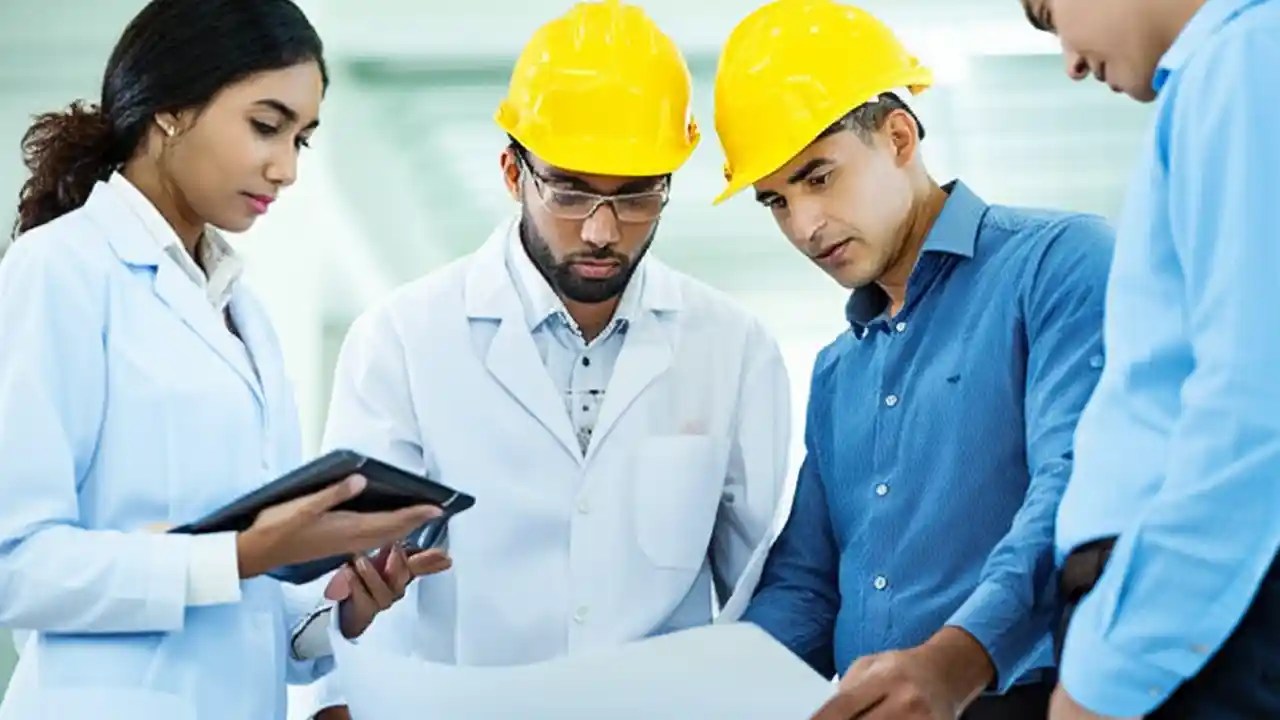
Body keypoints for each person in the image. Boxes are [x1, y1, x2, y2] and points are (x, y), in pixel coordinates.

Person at [295, 1, 793, 717]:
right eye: (570, 191)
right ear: (511, 171)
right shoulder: (402, 339)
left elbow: (756, 590)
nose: (601, 230)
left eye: (637, 196)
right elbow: (352, 576)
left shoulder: (734, 348)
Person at [0, 1, 447, 718]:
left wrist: (342, 609)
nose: (287, 167)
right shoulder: (61, 269)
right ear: (172, 109)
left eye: (302, 139)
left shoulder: (243, 313)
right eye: (266, 126)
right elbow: (15, 565)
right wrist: (239, 555)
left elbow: (250, 612)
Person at [709, 2, 1116, 719]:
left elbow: (1076, 488)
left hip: (1024, 700)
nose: (803, 227)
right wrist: (711, 691)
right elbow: (807, 581)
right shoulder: (840, 368)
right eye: (775, 201)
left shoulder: (1056, 264)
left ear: (898, 136)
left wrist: (955, 659)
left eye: (819, 177)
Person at [1018, 0, 1280, 718]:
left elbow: (1253, 408)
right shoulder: (1226, 74)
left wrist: (1111, 675)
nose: (1070, 60)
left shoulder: (1245, 58)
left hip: (1192, 635)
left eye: (1050, 13)